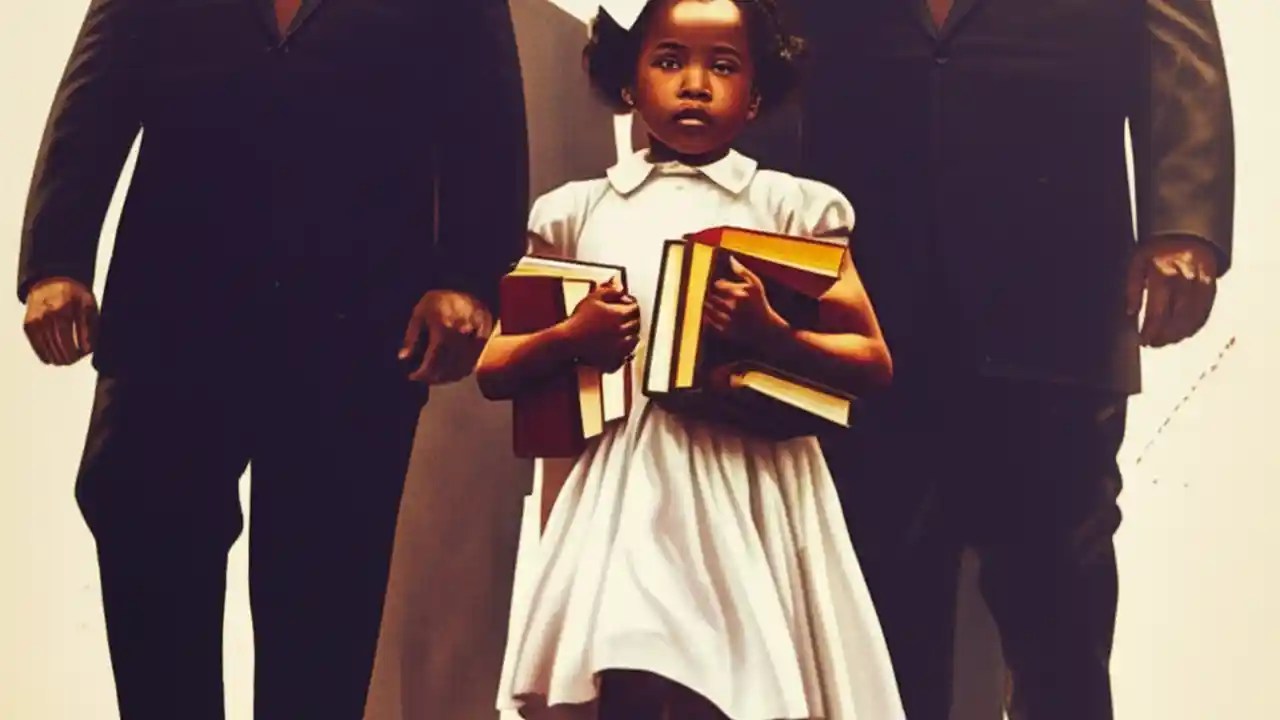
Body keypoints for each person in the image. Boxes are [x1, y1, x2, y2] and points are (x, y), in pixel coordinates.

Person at [16, 1, 527, 718]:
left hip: (356, 327)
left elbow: (486, 113)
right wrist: (56, 261)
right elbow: (96, 89)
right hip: (171, 319)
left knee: (323, 607)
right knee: (148, 549)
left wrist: (470, 274)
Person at [788, 1, 1236, 718]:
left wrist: (1184, 221)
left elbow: (1174, 39)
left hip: (1057, 285)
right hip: (861, 292)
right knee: (874, 592)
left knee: (1060, 591)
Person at [479, 1, 905, 717]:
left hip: (751, 480)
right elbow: (495, 367)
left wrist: (772, 336)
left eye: (724, 66)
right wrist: (569, 337)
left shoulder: (792, 206)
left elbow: (871, 360)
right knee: (629, 653)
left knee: (736, 678)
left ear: (758, 94)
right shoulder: (578, 212)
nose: (696, 85)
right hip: (624, 484)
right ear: (627, 82)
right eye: (670, 61)